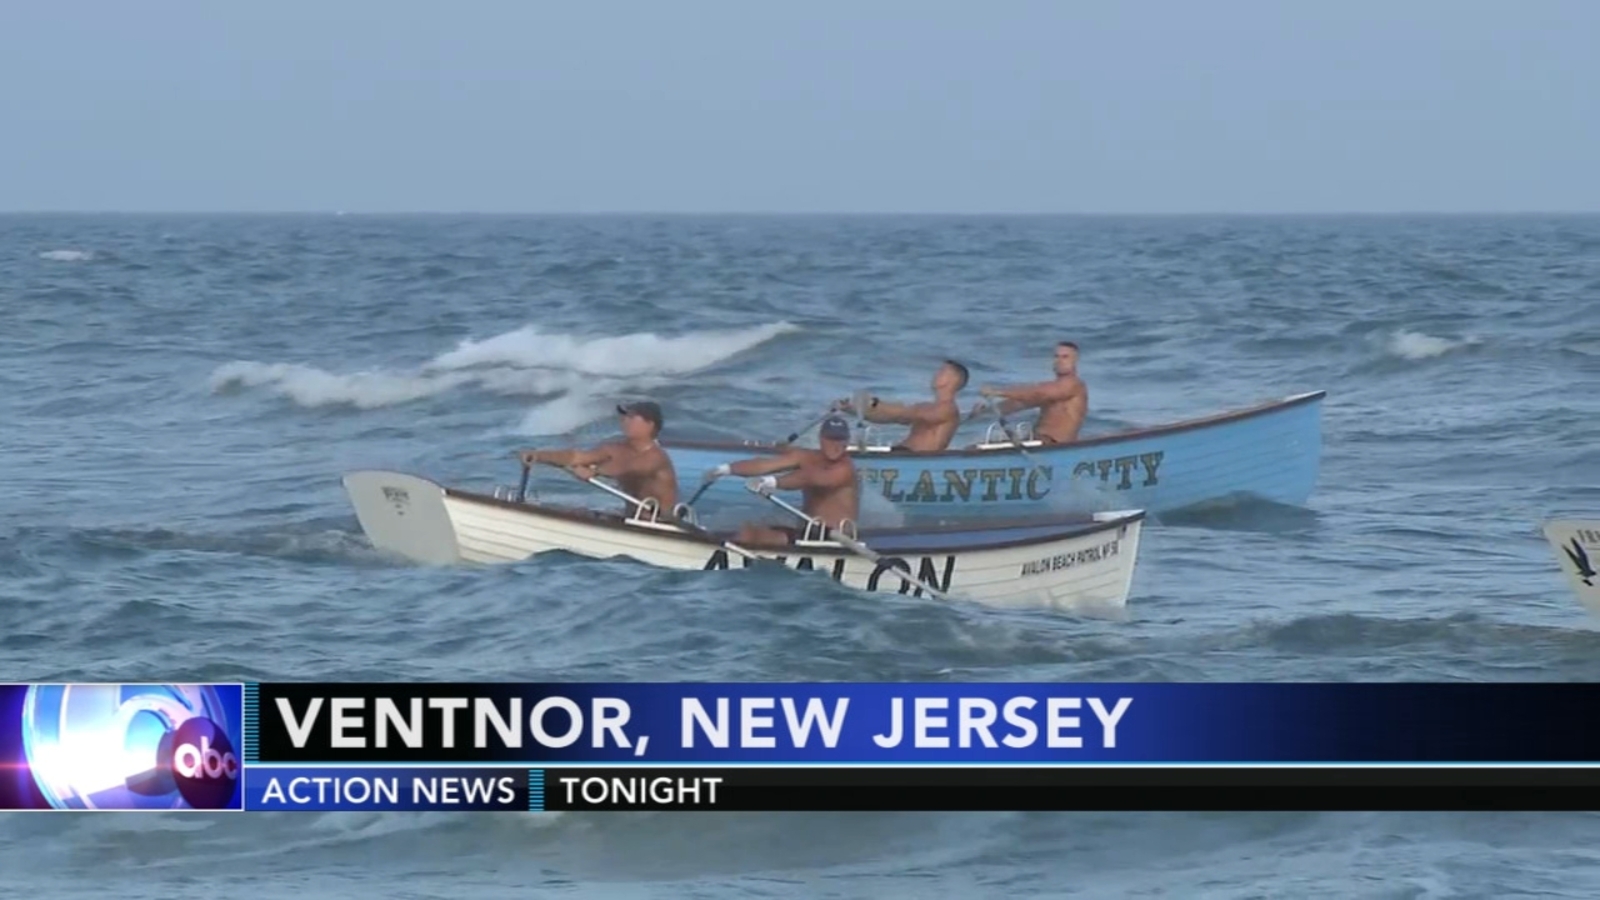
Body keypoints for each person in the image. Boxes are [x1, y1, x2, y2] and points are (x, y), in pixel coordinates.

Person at [702, 414, 859, 548]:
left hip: (835, 540)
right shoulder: (806, 456)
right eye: (831, 439)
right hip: (808, 533)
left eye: (840, 440)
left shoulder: (846, 469)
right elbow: (764, 464)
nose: (836, 445)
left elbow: (810, 478)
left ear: (847, 441)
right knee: (748, 531)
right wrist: (726, 469)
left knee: (753, 535)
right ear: (821, 439)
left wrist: (772, 482)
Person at [517, 401, 679, 516]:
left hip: (662, 524)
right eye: (624, 417)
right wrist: (539, 455)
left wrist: (594, 471)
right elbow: (577, 456)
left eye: (631, 418)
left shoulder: (657, 457)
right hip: (631, 519)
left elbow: (629, 467)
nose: (624, 421)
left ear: (649, 424)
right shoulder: (615, 448)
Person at [835, 360, 969, 452]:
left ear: (953, 380)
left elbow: (905, 413)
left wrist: (874, 403)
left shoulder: (947, 409)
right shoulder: (928, 407)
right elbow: (892, 418)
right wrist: (855, 410)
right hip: (903, 453)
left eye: (942, 372)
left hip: (917, 460)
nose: (935, 375)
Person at [977, 341, 1089, 444]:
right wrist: (986, 411)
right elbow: (1019, 403)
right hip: (1038, 441)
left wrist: (997, 392)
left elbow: (1039, 393)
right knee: (977, 446)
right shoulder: (1052, 388)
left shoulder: (1074, 385)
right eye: (1056, 357)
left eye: (1065, 357)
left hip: (1054, 444)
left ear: (1075, 359)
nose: (1059, 361)